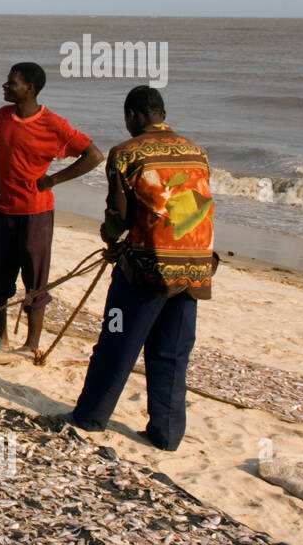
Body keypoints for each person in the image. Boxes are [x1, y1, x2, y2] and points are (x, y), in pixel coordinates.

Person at [46, 87, 216, 451]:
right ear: (162, 113)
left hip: (146, 270)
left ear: (133, 116)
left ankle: (90, 416)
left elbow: (118, 218)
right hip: (196, 268)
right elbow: (184, 212)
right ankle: (166, 434)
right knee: (171, 352)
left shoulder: (125, 154)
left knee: (117, 341)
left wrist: (111, 238)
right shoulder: (196, 152)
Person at [0, 62, 103, 354]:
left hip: (35, 214)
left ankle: (32, 343)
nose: (5, 86)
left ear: (30, 89)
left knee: (35, 282)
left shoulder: (54, 124)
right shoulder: (3, 115)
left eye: (11, 82)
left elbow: (94, 155)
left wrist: (53, 180)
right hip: (4, 210)